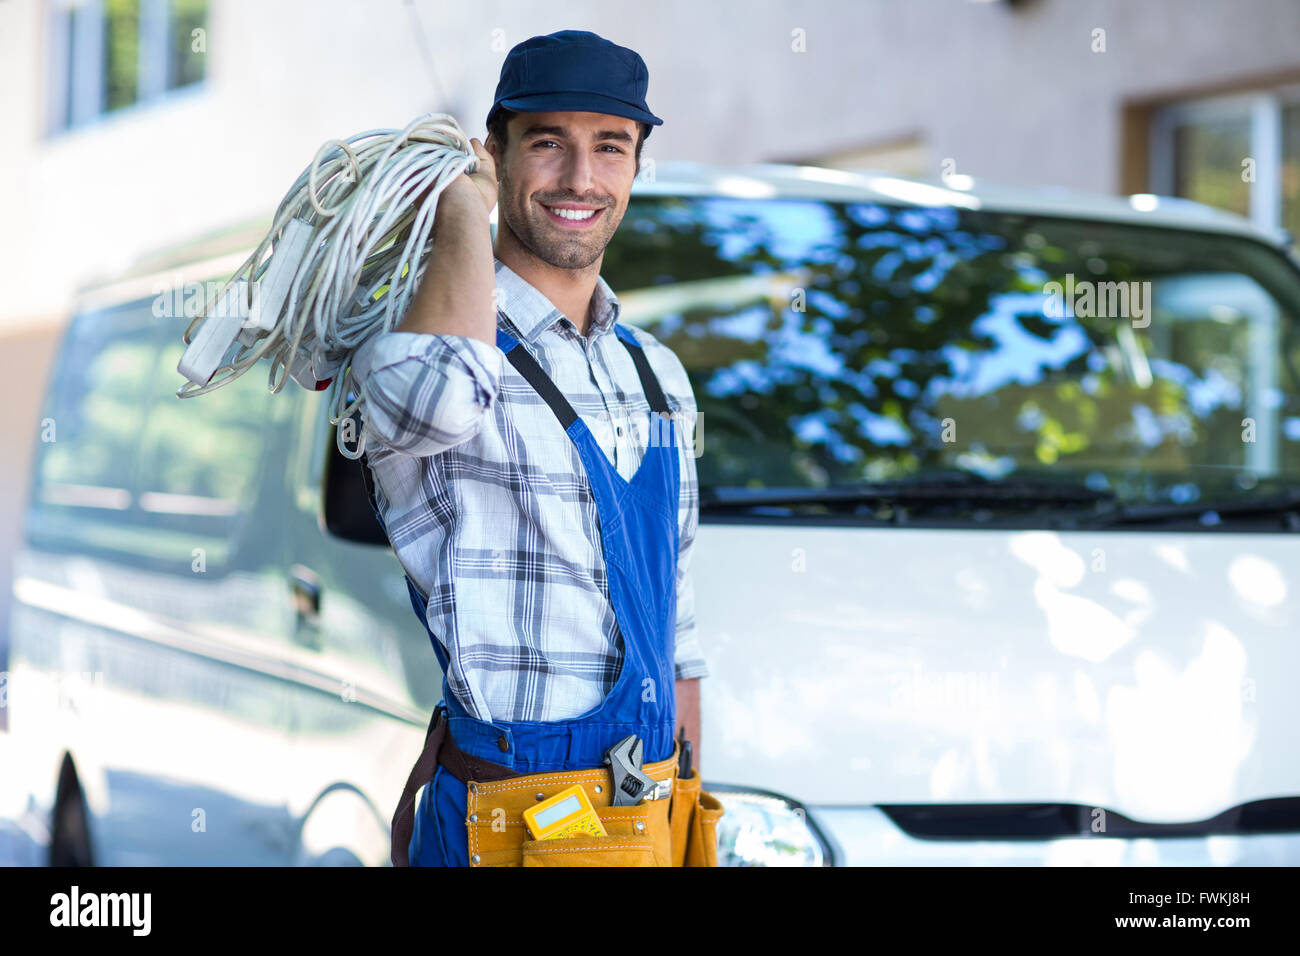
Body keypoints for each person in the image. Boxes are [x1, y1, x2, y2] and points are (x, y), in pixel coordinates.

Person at [351, 29, 714, 867]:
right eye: (548, 143)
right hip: (508, 825)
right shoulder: (414, 334)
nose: (581, 178)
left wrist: (690, 819)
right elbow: (441, 392)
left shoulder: (656, 374)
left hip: (645, 821)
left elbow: (679, 628)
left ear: (635, 166)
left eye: (610, 147)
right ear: (496, 156)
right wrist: (457, 213)